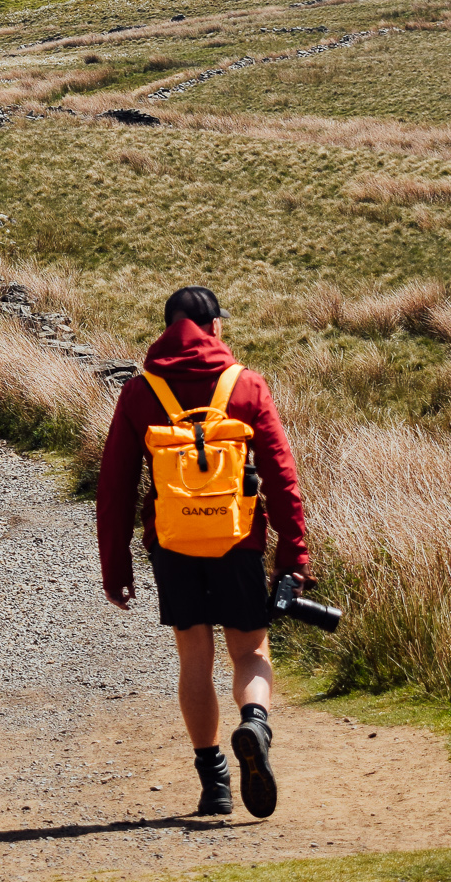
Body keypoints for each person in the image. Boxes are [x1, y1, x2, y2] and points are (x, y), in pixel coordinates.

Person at [96, 286, 311, 820]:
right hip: (239, 542)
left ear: (168, 328)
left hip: (173, 544)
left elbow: (115, 487)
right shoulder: (246, 386)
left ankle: (213, 781)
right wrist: (294, 553)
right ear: (212, 327)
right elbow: (283, 479)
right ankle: (254, 724)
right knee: (251, 653)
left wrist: (116, 566)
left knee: (194, 657)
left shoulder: (140, 392)